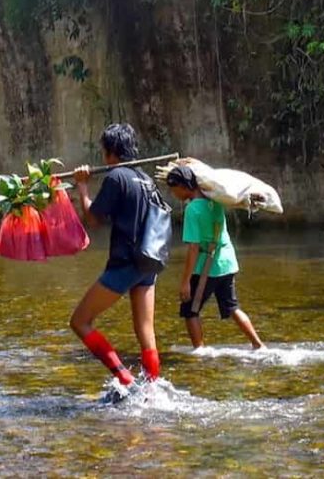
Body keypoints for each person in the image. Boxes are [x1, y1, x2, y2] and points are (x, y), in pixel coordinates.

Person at [70, 123, 163, 392]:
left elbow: (94, 219)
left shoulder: (116, 177)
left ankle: (126, 379)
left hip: (126, 263)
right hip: (149, 262)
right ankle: (152, 389)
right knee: (146, 331)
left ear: (111, 151)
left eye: (104, 151)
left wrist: (83, 186)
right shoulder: (146, 179)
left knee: (80, 322)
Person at [165, 165, 265, 350]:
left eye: (174, 189)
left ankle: (200, 351)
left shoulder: (192, 209)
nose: (173, 194)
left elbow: (193, 248)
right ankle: (258, 345)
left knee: (190, 310)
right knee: (232, 307)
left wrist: (185, 282)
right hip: (227, 262)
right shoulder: (216, 200)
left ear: (183, 186)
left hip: (207, 267)